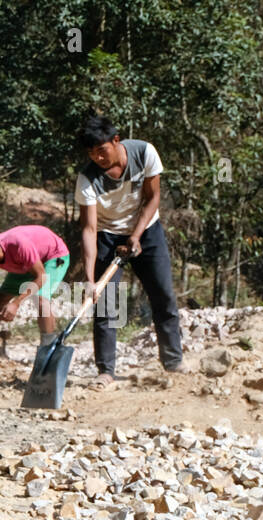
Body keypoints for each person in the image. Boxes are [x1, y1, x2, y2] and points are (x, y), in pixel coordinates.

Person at [75, 115, 184, 386]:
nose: (98, 158)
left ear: (116, 140)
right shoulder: (87, 179)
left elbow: (153, 197)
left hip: (147, 230)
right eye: (92, 153)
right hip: (107, 235)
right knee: (106, 302)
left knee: (163, 295)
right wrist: (90, 280)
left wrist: (136, 236)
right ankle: (105, 371)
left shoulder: (144, 152)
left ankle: (173, 362)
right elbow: (89, 229)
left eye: (102, 150)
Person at [0, 225, 70, 350]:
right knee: (1, 296)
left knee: (40, 298)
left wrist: (16, 303)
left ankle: (48, 348)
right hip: (27, 261)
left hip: (53, 256)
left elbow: (41, 276)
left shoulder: (18, 245)